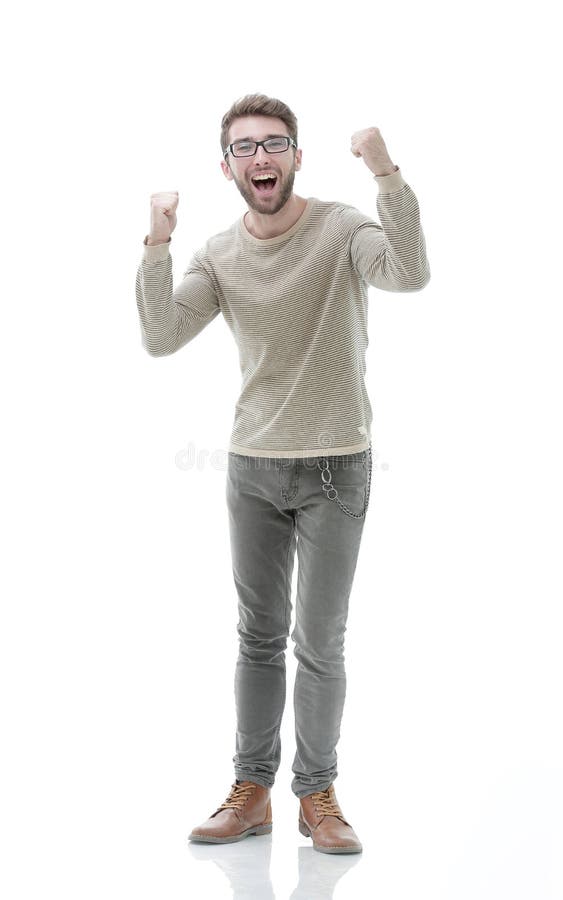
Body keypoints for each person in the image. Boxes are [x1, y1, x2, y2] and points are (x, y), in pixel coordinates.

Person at [135, 93, 431, 854]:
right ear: (226, 165)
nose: (260, 158)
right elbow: (162, 336)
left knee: (320, 642)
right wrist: (157, 244)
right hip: (252, 469)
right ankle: (252, 791)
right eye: (244, 148)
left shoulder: (339, 228)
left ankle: (318, 794)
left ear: (297, 156)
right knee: (257, 638)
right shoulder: (218, 253)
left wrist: (384, 173)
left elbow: (408, 273)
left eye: (274, 144)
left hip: (336, 463)